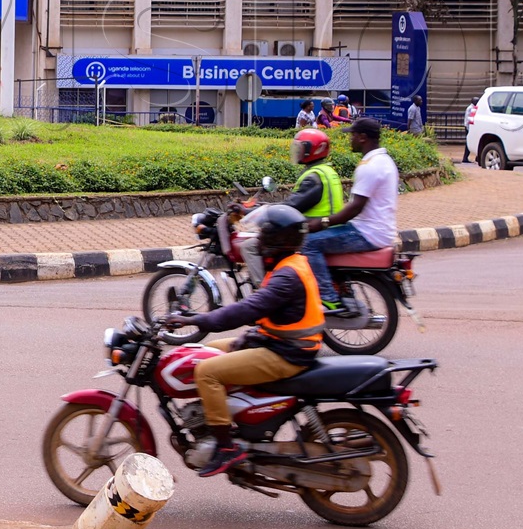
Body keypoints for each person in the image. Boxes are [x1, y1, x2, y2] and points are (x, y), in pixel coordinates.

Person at [167, 204, 323, 478]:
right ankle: (230, 418)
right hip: (276, 341)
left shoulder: (286, 277)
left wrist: (197, 320)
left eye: (264, 234)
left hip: (288, 353)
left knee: (207, 372)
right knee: (204, 351)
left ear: (278, 240)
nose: (258, 239)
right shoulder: (289, 264)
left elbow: (247, 310)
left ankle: (227, 447)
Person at [301, 118, 398, 318]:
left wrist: (322, 223)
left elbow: (355, 208)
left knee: (308, 243)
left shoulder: (370, 166)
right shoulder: (385, 160)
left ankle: (328, 298)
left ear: (363, 137)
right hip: (377, 230)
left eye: (353, 135)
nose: (350, 139)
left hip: (367, 233)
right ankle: (340, 288)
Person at [239, 129, 343, 285]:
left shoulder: (313, 178)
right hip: (326, 227)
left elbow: (291, 207)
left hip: (312, 230)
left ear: (313, 150)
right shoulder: (326, 171)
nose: (298, 152)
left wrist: (252, 211)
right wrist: (263, 206)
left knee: (250, 246)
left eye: (301, 148)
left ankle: (264, 291)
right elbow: (293, 203)